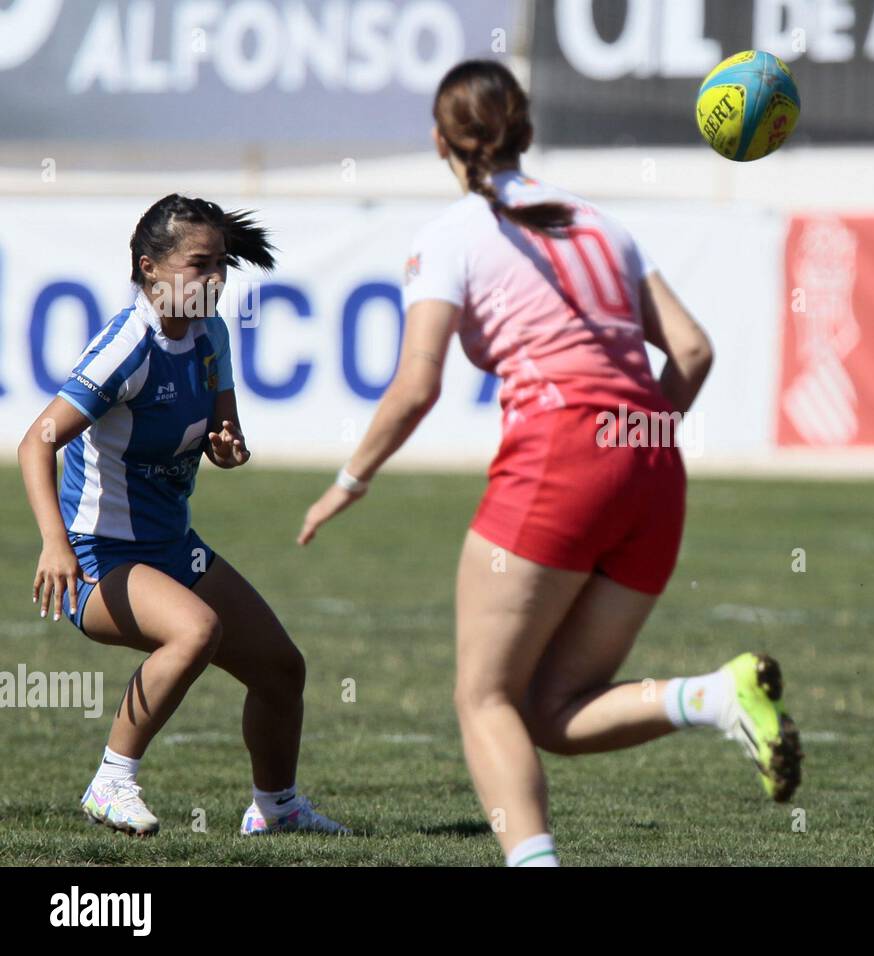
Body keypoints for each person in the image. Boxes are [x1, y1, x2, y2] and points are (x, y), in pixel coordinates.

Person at [298, 60, 801, 867]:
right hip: (652, 466)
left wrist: (348, 481)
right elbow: (695, 350)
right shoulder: (602, 224)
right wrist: (633, 443)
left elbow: (416, 383)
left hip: (560, 453)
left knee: (483, 696)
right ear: (527, 131)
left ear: (440, 141)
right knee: (550, 708)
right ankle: (711, 696)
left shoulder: (451, 236)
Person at [17, 194, 348, 837]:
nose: (216, 280)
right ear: (149, 268)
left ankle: (277, 809)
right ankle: (111, 782)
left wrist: (228, 448)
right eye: (199, 265)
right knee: (196, 631)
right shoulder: (126, 348)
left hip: (171, 546)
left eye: (221, 264)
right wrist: (53, 543)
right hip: (95, 556)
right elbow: (38, 440)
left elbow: (225, 435)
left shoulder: (210, 333)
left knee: (282, 669)